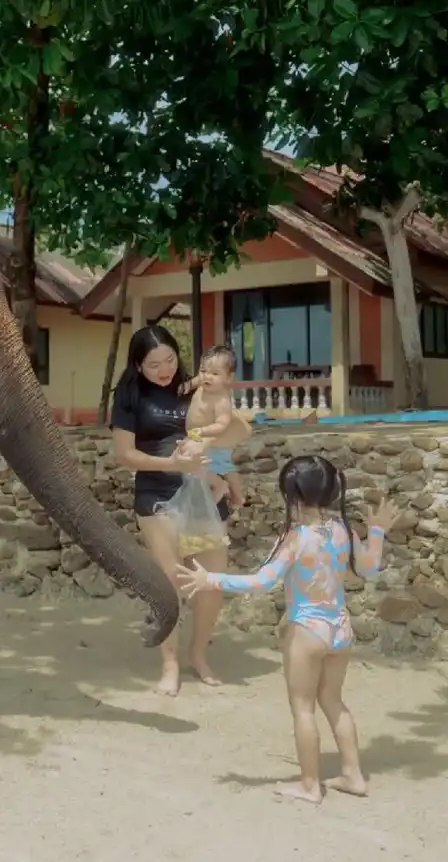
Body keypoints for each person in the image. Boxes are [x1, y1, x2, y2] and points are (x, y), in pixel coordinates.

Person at [176, 454, 399, 805]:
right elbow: (369, 567)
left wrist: (210, 579)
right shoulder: (342, 530)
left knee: (303, 709)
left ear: (291, 495)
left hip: (307, 632)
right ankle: (353, 775)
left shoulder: (295, 538)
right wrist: (377, 531)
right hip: (340, 630)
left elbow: (261, 581)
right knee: (334, 701)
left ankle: (310, 785)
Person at [109, 324, 230, 696]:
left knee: (211, 580)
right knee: (171, 581)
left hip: (202, 491)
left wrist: (224, 474)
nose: (164, 370)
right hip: (157, 494)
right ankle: (170, 664)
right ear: (138, 364)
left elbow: (224, 431)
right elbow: (124, 454)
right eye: (154, 364)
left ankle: (199, 655)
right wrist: (172, 465)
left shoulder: (195, 389)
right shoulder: (130, 395)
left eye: (170, 360)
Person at [178, 344, 250, 507]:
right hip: (199, 437)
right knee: (224, 467)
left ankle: (221, 487)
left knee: (208, 467)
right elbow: (196, 381)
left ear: (229, 378)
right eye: (203, 371)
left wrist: (203, 431)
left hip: (214, 441)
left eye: (215, 374)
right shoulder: (202, 384)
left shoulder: (221, 399)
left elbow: (222, 424)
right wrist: (186, 386)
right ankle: (234, 494)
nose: (207, 377)